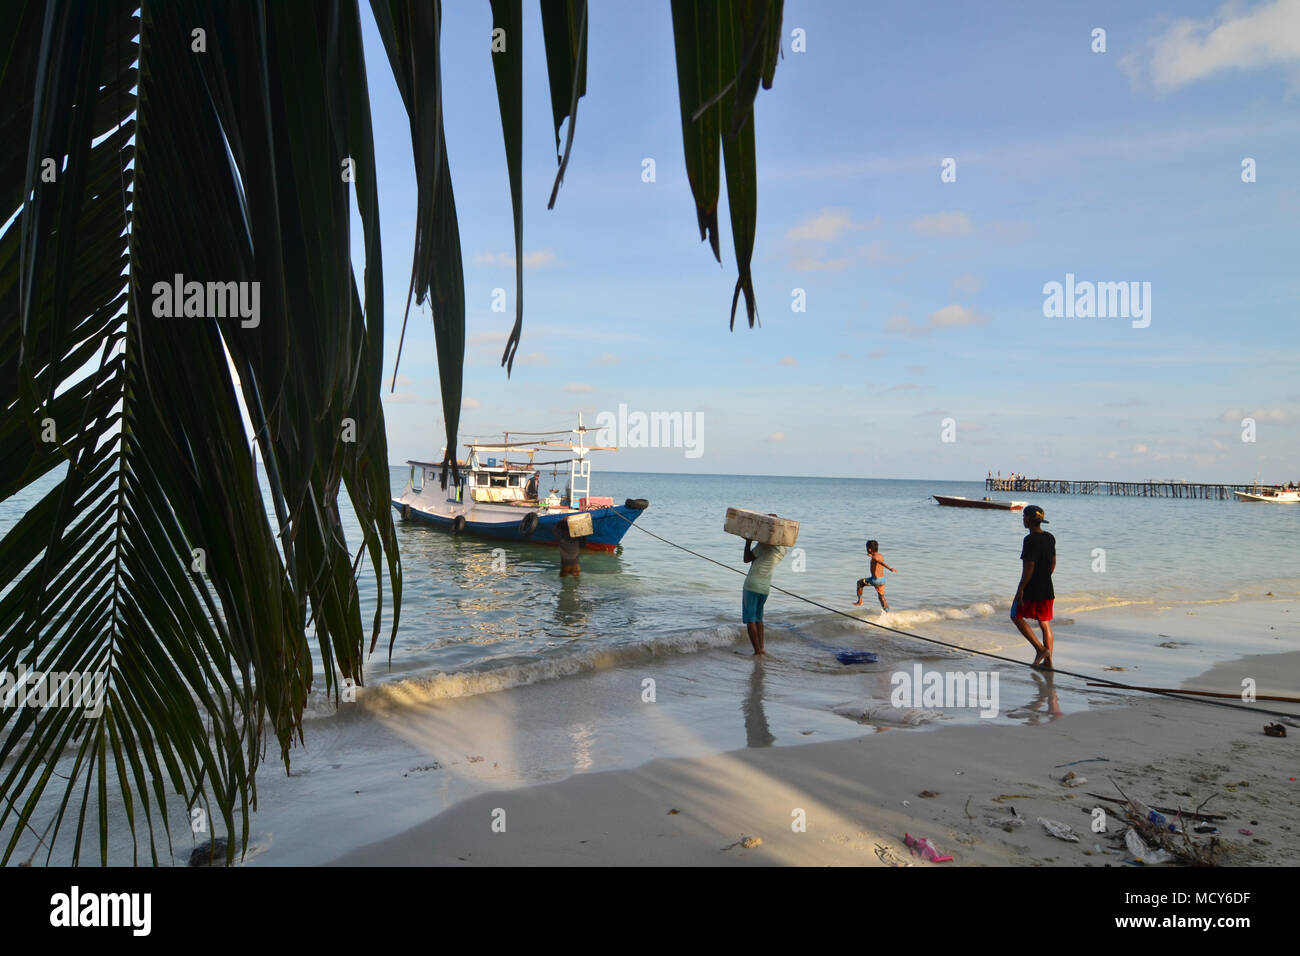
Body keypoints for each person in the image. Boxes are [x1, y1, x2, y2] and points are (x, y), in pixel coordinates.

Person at [1011, 504, 1056, 669]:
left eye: (1024, 517)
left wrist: (1021, 588)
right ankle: (1049, 663)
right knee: (1044, 623)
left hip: (1032, 586)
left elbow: (1029, 566)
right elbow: (1053, 562)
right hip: (1047, 586)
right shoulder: (1050, 537)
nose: (1023, 519)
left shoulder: (1029, 540)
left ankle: (1040, 649)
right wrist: (1045, 577)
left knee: (1015, 615)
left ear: (1029, 520)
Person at [741, 521, 787, 656]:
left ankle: (757, 651)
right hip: (765, 587)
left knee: (750, 619)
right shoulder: (783, 549)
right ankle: (761, 648)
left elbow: (747, 558)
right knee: (759, 618)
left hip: (752, 585)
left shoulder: (765, 546)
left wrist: (748, 541)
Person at [854, 539, 895, 610]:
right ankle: (887, 612)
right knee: (881, 597)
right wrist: (871, 555)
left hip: (875, 580)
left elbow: (881, 562)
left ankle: (860, 601)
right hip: (882, 580)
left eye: (867, 548)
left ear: (869, 549)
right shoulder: (880, 555)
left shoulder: (874, 557)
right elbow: (879, 560)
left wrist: (890, 568)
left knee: (860, 582)